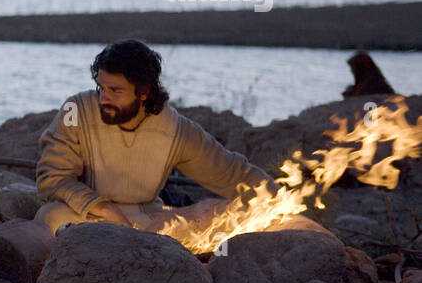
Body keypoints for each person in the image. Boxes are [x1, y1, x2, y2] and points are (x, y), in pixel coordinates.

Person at [34, 40, 275, 234]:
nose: (103, 98)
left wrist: (279, 200)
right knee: (51, 218)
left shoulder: (175, 129)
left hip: (148, 222)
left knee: (216, 215)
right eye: (101, 88)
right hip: (82, 216)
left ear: (144, 92)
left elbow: (230, 172)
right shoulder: (75, 110)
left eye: (115, 91)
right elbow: (52, 178)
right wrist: (103, 208)